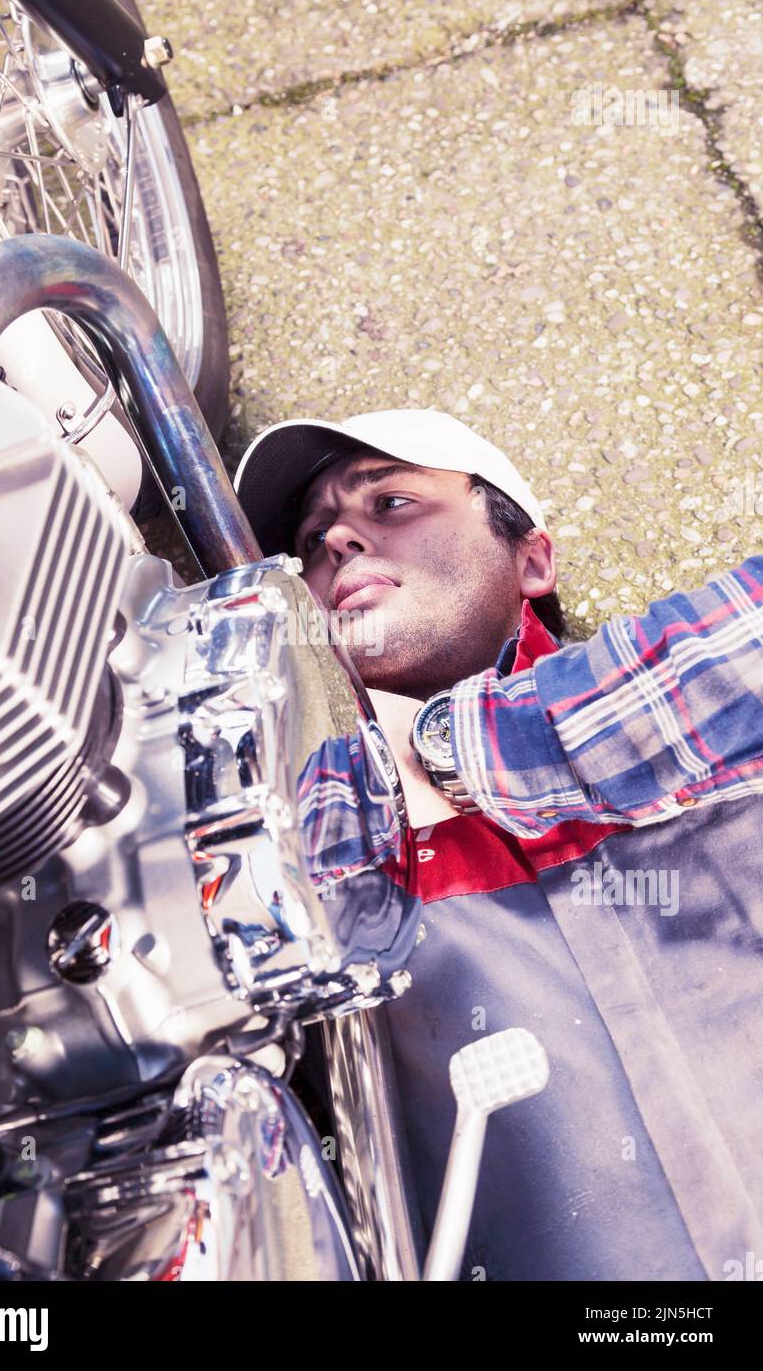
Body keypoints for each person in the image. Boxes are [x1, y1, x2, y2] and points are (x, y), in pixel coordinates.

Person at [234, 409, 763, 1282]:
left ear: (532, 561)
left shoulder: (683, 697)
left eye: (392, 501)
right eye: (312, 539)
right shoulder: (319, 817)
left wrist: (448, 746)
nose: (336, 540)